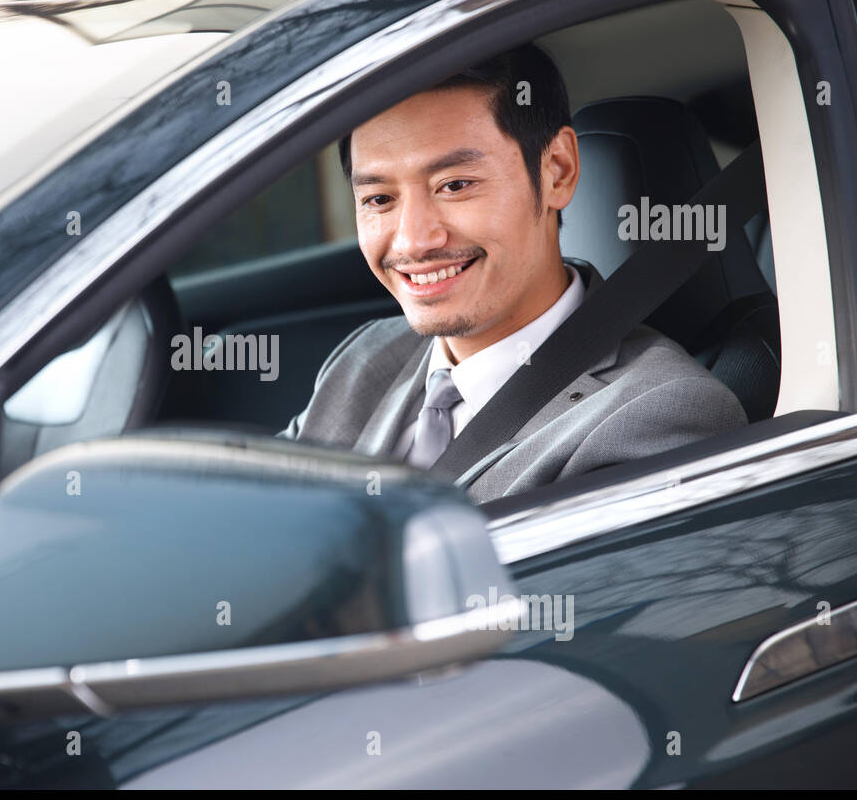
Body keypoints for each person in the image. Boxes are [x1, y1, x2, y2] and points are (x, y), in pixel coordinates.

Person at [279, 44, 746, 503]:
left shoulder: (658, 413)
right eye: (379, 199)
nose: (413, 241)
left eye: (455, 185)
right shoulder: (365, 359)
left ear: (557, 171)